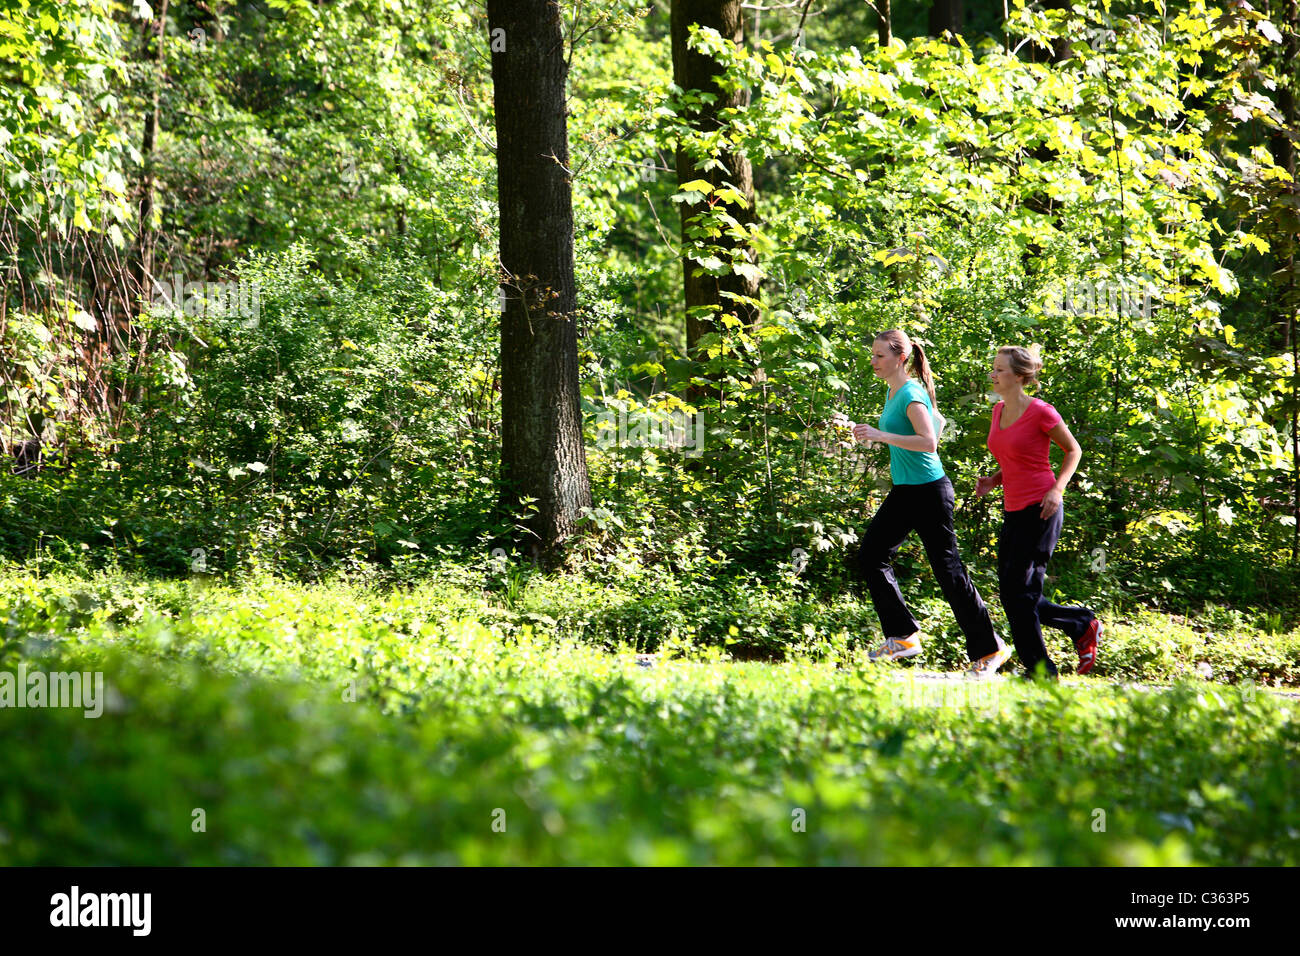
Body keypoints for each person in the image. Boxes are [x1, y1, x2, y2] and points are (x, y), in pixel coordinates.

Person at [851, 329, 1012, 679]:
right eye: (874, 355)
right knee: (872, 554)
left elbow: (928, 442)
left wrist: (880, 435)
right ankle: (903, 637)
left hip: (929, 492)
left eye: (880, 356)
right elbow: (934, 425)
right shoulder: (894, 390)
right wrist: (866, 432)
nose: (874, 361)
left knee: (948, 570)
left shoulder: (910, 392)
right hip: (906, 491)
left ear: (900, 358)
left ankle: (990, 648)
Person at [975, 345, 1102, 678]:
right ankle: (1080, 623)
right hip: (1013, 507)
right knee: (1012, 593)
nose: (993, 374)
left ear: (1019, 377)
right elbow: (1016, 456)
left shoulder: (1041, 411)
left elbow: (1073, 450)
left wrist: (1057, 489)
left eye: (1000, 370)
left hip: (1042, 508)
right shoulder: (997, 412)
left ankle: (1041, 671)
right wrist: (994, 479)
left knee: (1023, 593)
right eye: (994, 368)